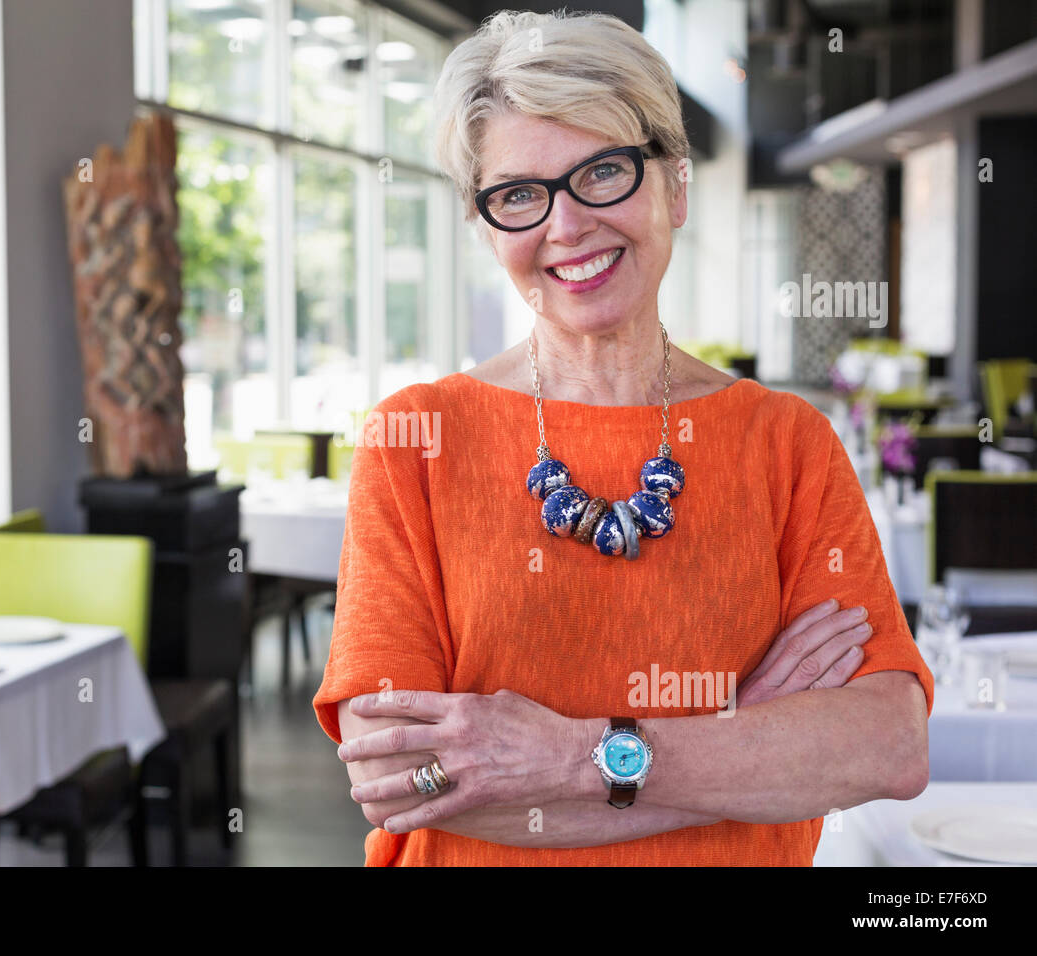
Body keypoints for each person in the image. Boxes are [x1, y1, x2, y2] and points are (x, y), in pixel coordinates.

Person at [312, 9, 932, 866]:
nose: (566, 226)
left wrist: (568, 756)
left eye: (603, 171)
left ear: (674, 186)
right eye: (521, 193)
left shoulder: (786, 441)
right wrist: (746, 741)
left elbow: (887, 744)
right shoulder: (416, 441)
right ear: (486, 226)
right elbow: (399, 781)